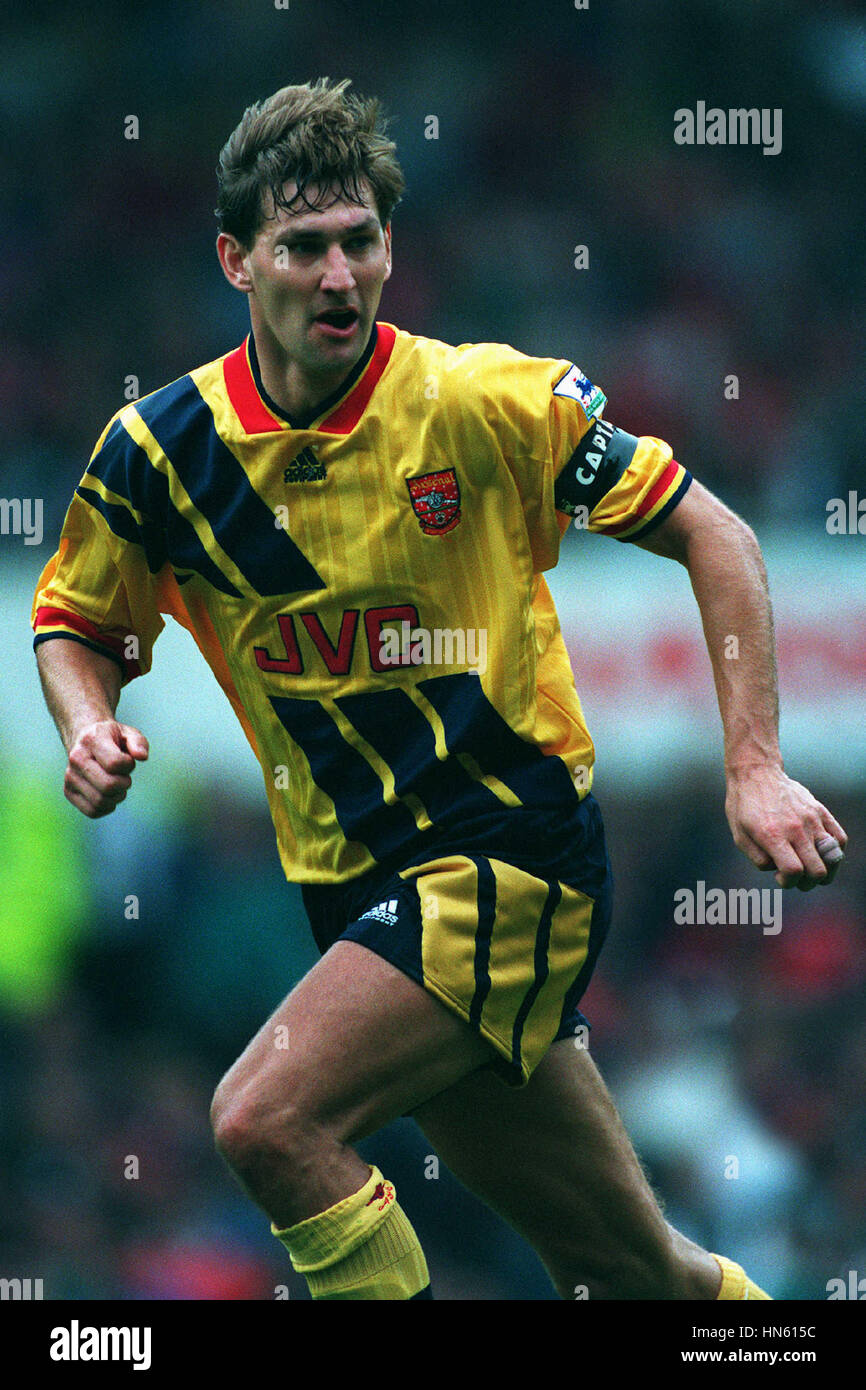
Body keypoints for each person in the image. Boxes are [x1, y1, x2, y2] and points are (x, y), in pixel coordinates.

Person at [33, 77, 847, 1301]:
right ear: (233, 260)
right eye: (302, 247)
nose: (337, 274)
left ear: (388, 247)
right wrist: (87, 721)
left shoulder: (476, 402)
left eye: (359, 241)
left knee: (264, 1120)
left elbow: (717, 536)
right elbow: (74, 620)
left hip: (506, 860)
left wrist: (751, 765)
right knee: (634, 1273)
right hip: (355, 890)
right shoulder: (158, 454)